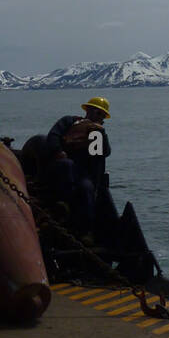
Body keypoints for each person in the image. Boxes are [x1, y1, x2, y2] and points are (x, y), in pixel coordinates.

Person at [44, 96, 111, 236]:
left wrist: (100, 136)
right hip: (61, 166)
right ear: (88, 110)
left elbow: (99, 156)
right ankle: (63, 205)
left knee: (87, 188)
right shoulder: (69, 121)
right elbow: (53, 137)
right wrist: (58, 151)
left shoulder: (96, 133)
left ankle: (85, 231)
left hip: (82, 172)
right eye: (96, 111)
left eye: (101, 114)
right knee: (67, 166)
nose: (98, 115)